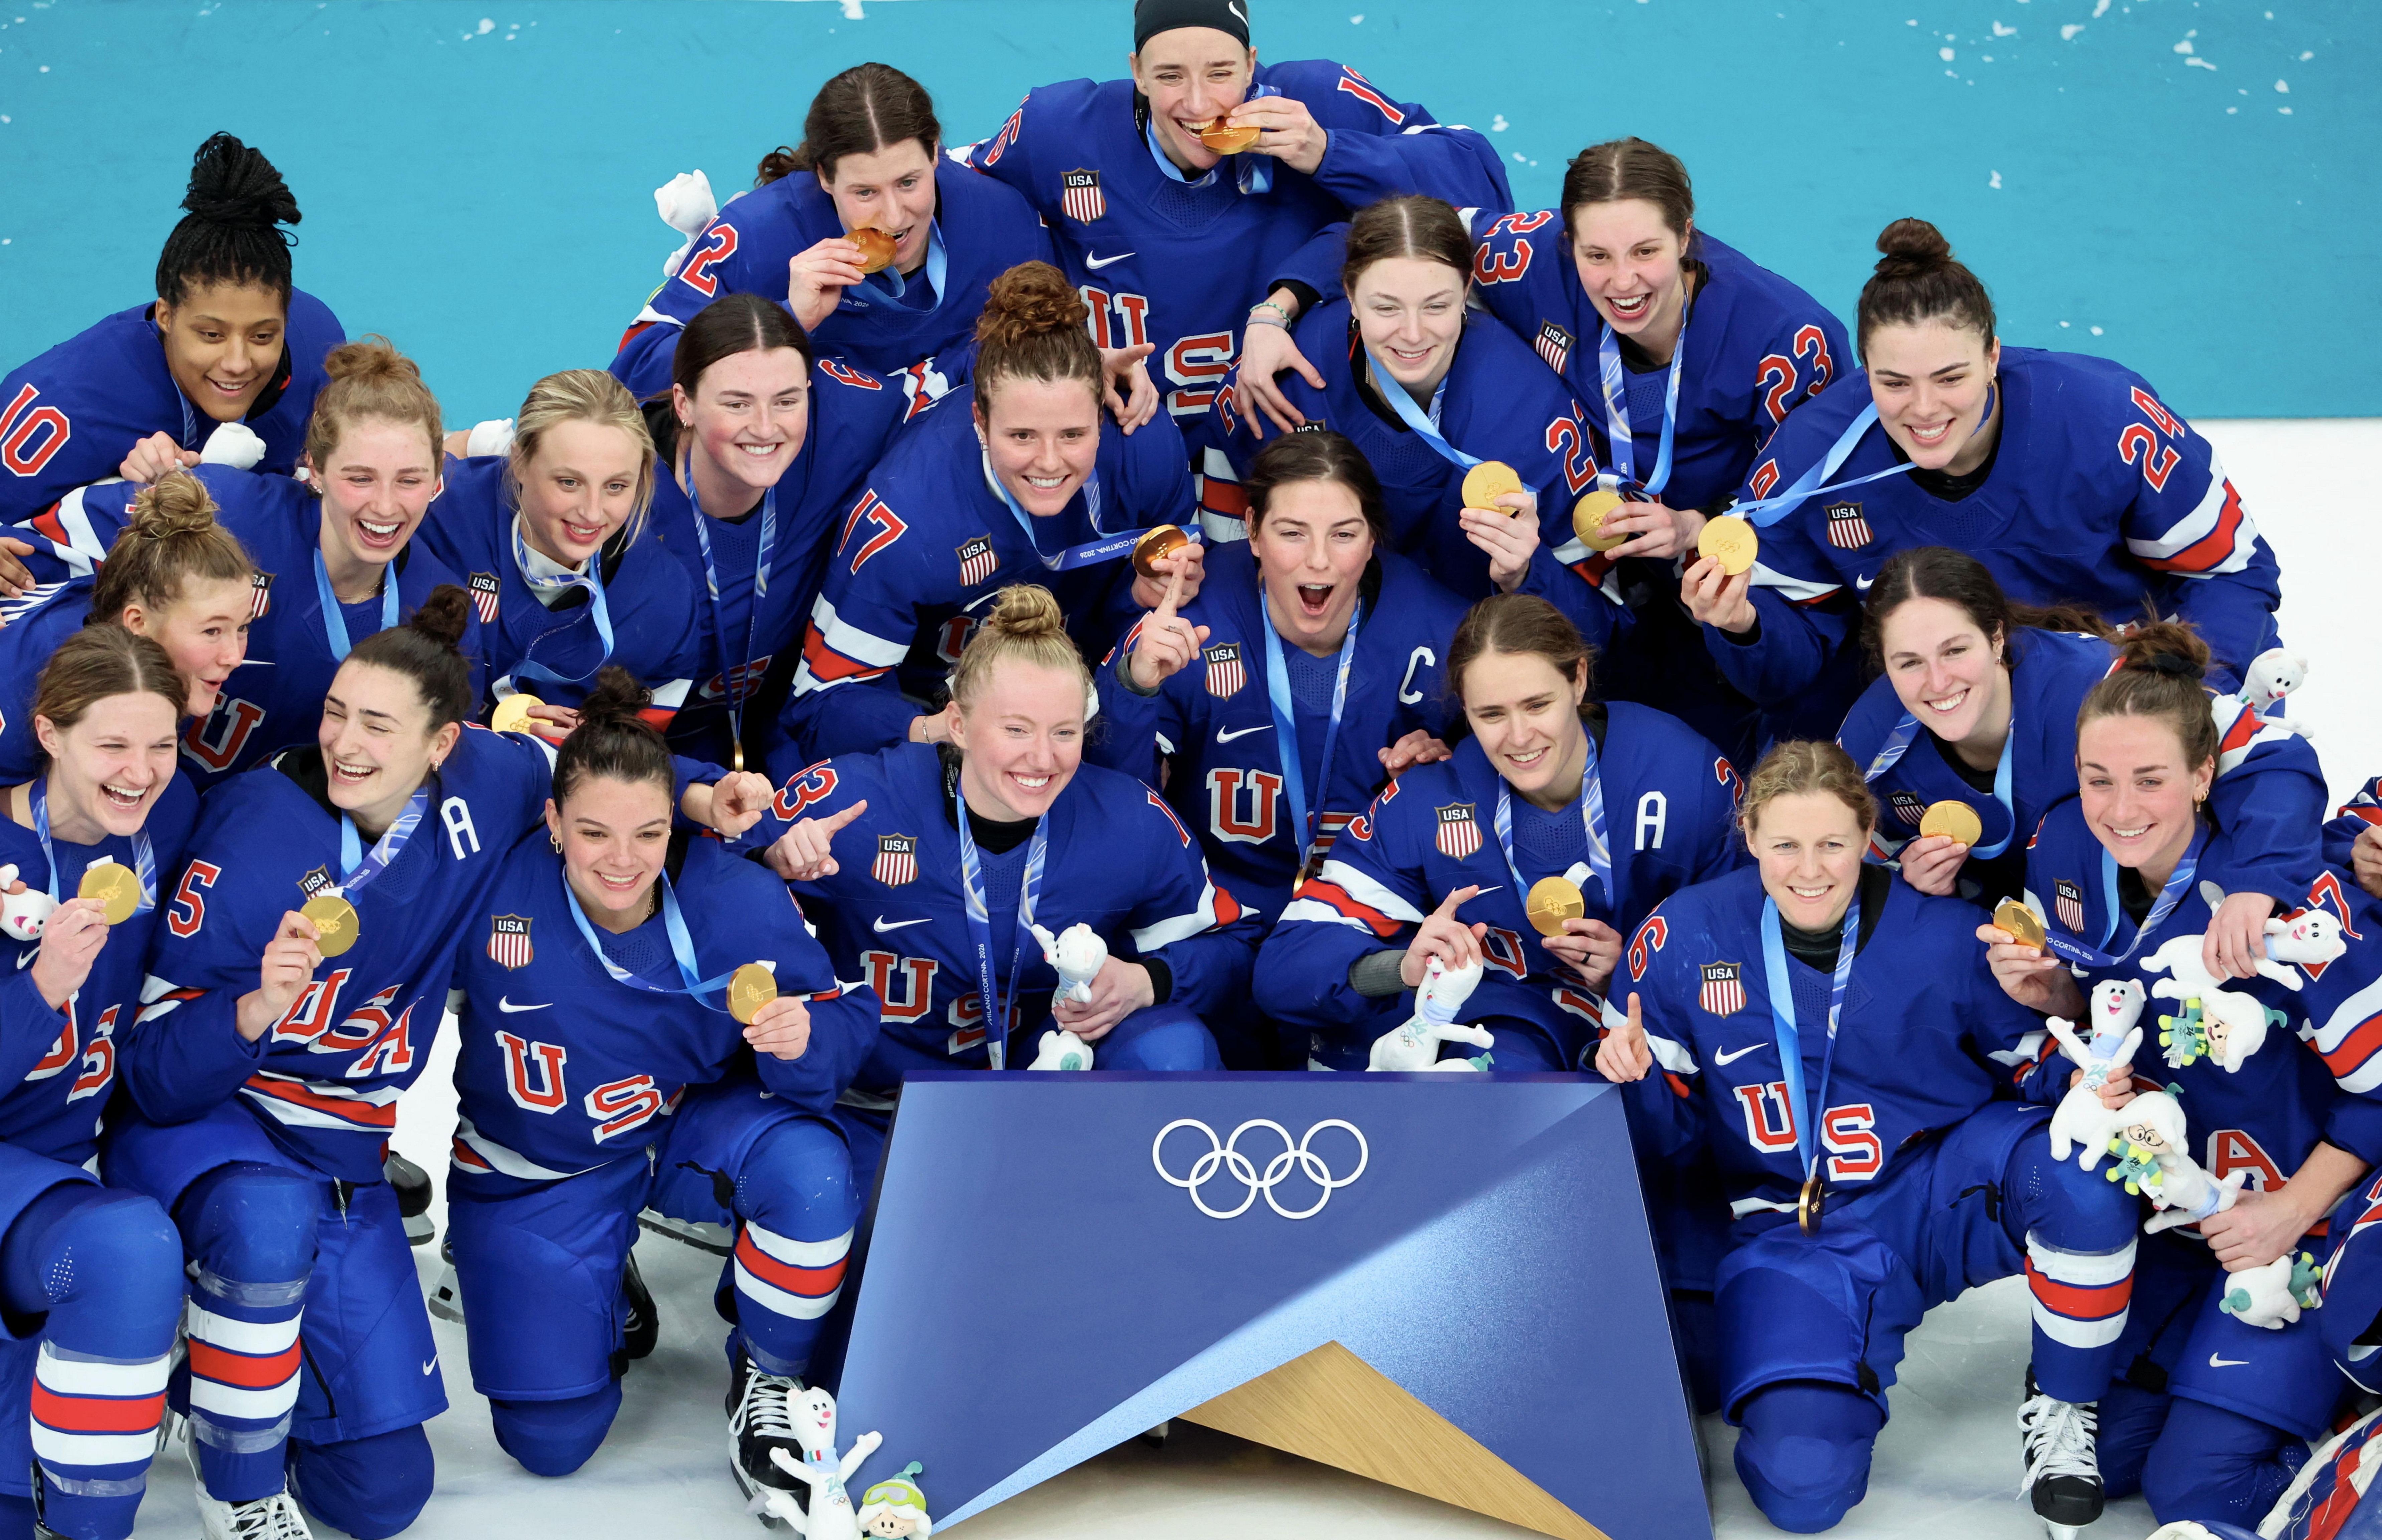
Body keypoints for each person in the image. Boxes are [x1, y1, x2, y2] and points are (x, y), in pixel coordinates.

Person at [107, 588, 767, 1540]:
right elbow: (155, 1077)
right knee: (265, 1218)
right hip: (219, 1129)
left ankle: (216, 1363)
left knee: (383, 1496)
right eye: (336, 713)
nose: (345, 743)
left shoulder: (491, 779)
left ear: (443, 743)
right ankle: (237, 1475)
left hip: (343, 1159)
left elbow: (583, 760)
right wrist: (253, 1008)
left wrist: (702, 793)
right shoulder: (250, 834)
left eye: (378, 725)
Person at [1598, 740, 2139, 1535]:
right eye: (1784, 843)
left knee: (2083, 1171)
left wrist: (2083, 1060)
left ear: (1866, 835)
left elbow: (2046, 1072)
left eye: (1832, 843)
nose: (1809, 868)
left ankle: (2065, 1406)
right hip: (1794, 1230)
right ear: (1749, 836)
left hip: (1932, 1191)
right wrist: (1636, 1079)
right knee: (1802, 1488)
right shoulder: (1682, 936)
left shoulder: (1949, 934)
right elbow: (1668, 1146)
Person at [440, 668, 877, 1512]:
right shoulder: (487, 888)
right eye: (595, 832)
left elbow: (843, 1032)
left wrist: (806, 1034)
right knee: (550, 1442)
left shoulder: (735, 899)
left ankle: (770, 1378)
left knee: (812, 1172)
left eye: (647, 832)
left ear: (673, 819)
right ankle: (600, 1281)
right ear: (553, 821)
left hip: (683, 1134)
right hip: (542, 1167)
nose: (623, 859)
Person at [1982, 624, 2365, 1530]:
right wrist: (2063, 1000)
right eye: (2097, 778)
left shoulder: (2286, 904)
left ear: (2204, 776)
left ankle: (2358, 1410)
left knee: (2196, 1492)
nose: (2119, 808)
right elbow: (2121, 1012)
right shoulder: (2062, 852)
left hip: (2306, 1224)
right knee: (2108, 1459)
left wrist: (2292, 1211)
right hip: (2189, 1220)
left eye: (2151, 779)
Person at [1688, 219, 2282, 740]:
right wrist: (1743, 626)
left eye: (1950, 377)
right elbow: (1788, 675)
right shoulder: (1810, 460)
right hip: (1938, 710)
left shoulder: (2105, 418)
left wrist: (2195, 697)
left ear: (1993, 356)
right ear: (1864, 371)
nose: (1923, 409)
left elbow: (2229, 571)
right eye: (1894, 382)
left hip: (2116, 689)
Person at [744, 584, 1256, 1185]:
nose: (1041, 758)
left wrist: (1148, 979)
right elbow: (706, 890)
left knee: (1172, 1048)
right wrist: (769, 863)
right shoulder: (852, 802)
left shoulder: (1128, 818)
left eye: (1064, 732)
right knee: (858, 1232)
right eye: (1016, 729)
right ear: (956, 724)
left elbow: (1236, 943)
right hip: (876, 1107)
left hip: (1041, 1093)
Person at [961, 0, 1509, 433]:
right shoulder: (1059, 128)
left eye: (1221, 72)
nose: (1199, 105)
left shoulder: (1313, 102)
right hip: (1117, 431)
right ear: (1137, 73)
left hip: (1273, 434)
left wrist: (1327, 151)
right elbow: (944, 194)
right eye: (1170, 76)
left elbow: (1479, 180)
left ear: (1251, 62)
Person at [1469, 138, 1849, 762]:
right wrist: (1277, 308)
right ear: (1567, 244)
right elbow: (1410, 235)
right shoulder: (1528, 257)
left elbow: (1821, 504)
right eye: (1597, 255)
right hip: (1604, 575)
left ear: (1685, 234)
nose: (1623, 282)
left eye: (1646, 251)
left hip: (1728, 580)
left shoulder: (1788, 340)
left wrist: (1699, 526)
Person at [1258, 593, 1741, 1072]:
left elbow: (1760, 961)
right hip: (1498, 1042)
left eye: (1536, 705)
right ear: (1463, 710)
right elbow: (1282, 971)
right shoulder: (1432, 797)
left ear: (1578, 678)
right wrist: (1405, 967)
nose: (1519, 736)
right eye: (1491, 714)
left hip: (1653, 1064)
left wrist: (1637, 973)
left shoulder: (1683, 775)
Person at [783, 263, 1198, 767]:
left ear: (1100, 411)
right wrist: (945, 731)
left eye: (1073, 435)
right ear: (980, 419)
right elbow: (821, 710)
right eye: (1022, 436)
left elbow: (1151, 618)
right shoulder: (906, 521)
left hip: (1081, 702)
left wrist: (1138, 598)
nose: (1049, 462)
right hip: (943, 720)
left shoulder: (1145, 446)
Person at [24, 340, 483, 786]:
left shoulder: (442, 612)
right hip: (116, 785)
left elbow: (440, 761)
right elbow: (45, 539)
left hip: (267, 824)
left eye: (409, 480)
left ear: (437, 478)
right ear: (315, 470)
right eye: (360, 478)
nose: (384, 506)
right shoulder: (228, 509)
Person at [1843, 547, 2325, 967]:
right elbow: (1836, 865)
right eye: (1908, 662)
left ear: (1996, 637)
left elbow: (2273, 759)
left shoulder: (2101, 684)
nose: (1938, 681)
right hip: (2038, 962)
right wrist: (1911, 882)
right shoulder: (1871, 740)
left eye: (1955, 650)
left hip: (2182, 933)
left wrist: (2256, 884)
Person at [1092, 430, 1466, 930]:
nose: (1318, 560)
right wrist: (1134, 688)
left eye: (1345, 534)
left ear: (1374, 537)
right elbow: (1112, 810)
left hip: (1367, 918)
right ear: (1252, 531)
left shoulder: (1443, 631)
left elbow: (1520, 768)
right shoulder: (1187, 618)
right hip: (1212, 914)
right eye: (1292, 532)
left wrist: (1452, 773)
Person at [1199, 195, 1613, 645]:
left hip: (1468, 655)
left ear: (1467, 289)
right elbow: (1226, 499)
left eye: (1436, 306)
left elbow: (1604, 626)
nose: (1413, 334)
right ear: (1351, 295)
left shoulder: (1532, 416)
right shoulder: (1284, 374)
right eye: (1386, 308)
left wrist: (1525, 574)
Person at [0, 629, 195, 1540]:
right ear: (49, 731)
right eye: (112, 745)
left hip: (69, 1176)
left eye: (161, 744)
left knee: (129, 1246)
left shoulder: (173, 817)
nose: (142, 770)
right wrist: (38, 991)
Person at [610, 63, 1063, 422]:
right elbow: (632, 377)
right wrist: (784, 322)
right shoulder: (758, 235)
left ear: (936, 152)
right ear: (824, 177)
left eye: (909, 182)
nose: (893, 215)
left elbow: (1047, 341)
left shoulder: (1005, 224)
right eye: (864, 193)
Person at [0, 133, 343, 524]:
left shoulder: (318, 344)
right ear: (166, 316)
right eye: (211, 335)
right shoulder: (62, 404)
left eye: (263, 336)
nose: (237, 363)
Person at [637, 293, 903, 774]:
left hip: (783, 731)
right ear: (685, 405)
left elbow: (964, 405)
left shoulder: (847, 425)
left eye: (786, 401)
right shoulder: (612, 498)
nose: (764, 428)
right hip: (641, 761)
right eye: (737, 403)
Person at [422, 369, 702, 735]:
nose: (591, 511)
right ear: (519, 462)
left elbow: (643, 754)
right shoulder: (439, 516)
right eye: (569, 482)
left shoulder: (663, 601)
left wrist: (590, 750)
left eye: (616, 486)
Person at [0, 473, 255, 785]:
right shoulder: (22, 695)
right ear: (137, 623)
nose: (234, 657)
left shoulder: (169, 672)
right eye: (212, 631)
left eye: (243, 627)